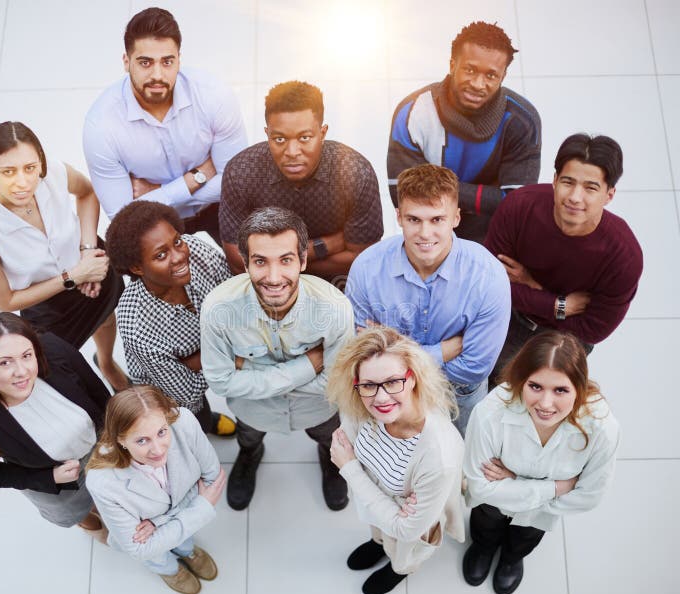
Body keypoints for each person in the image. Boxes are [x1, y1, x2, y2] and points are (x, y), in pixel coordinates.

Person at [200, 207, 354, 511]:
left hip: (318, 410)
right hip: (253, 411)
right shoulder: (218, 310)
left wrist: (251, 370)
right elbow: (218, 381)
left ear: (303, 260)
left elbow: (336, 384)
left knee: (329, 437)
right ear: (245, 263)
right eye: (260, 261)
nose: (273, 277)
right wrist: (309, 365)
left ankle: (330, 460)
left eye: (285, 260)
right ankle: (250, 456)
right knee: (248, 437)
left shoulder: (335, 309)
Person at [346, 164, 510, 436]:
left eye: (436, 220)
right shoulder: (367, 269)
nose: (424, 233)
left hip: (459, 393)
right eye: (414, 219)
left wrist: (391, 352)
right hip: (386, 394)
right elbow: (360, 355)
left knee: (460, 463)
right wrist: (444, 351)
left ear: (456, 218)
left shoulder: (488, 275)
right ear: (398, 217)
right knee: (397, 467)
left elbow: (474, 368)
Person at [0, 121, 129, 392]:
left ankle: (107, 362)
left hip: (89, 261)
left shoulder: (52, 172)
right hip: (47, 303)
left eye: (30, 168)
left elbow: (87, 193)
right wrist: (73, 277)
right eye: (8, 171)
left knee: (106, 316)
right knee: (58, 364)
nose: (23, 182)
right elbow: (5, 300)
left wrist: (87, 250)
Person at [462, 330, 619, 594]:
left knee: (527, 536)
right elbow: (479, 487)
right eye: (535, 386)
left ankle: (512, 558)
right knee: (485, 524)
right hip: (497, 506)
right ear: (520, 381)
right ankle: (483, 547)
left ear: (579, 388)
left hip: (539, 515)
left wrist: (512, 481)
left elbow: (588, 497)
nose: (546, 403)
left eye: (560, 390)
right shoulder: (490, 412)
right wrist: (555, 487)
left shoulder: (602, 428)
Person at [485, 133, 643, 382]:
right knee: (472, 381)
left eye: (590, 188)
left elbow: (593, 329)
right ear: (555, 180)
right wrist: (559, 306)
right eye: (568, 182)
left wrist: (532, 287)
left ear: (609, 194)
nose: (574, 197)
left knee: (532, 400)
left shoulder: (623, 255)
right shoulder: (519, 207)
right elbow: (489, 286)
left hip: (567, 335)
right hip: (506, 312)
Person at [83, 7, 247, 242]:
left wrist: (156, 195)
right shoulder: (100, 126)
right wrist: (198, 176)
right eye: (145, 63)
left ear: (179, 59)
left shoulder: (214, 96)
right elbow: (123, 217)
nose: (157, 74)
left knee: (248, 264)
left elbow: (235, 184)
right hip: (153, 224)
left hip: (218, 207)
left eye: (167, 61)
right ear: (126, 62)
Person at [328, 326, 464, 594]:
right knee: (380, 530)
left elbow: (406, 529)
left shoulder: (438, 455)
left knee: (402, 552)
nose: (380, 398)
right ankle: (377, 543)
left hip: (404, 527)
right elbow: (349, 435)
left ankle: (399, 570)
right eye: (368, 385)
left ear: (412, 378)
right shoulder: (358, 404)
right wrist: (388, 503)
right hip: (379, 503)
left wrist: (350, 468)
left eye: (392, 382)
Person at [0, 312, 111, 543]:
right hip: (59, 481)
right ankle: (92, 526)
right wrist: (50, 477)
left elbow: (99, 394)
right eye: (5, 362)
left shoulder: (53, 349)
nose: (21, 371)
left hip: (102, 448)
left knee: (115, 493)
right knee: (75, 512)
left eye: (26, 356)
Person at [387, 21, 541, 243]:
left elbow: (515, 203)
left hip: (495, 238)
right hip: (428, 236)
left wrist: (436, 187)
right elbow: (402, 193)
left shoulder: (522, 121)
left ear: (503, 77)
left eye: (490, 75)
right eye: (470, 70)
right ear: (452, 65)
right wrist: (486, 195)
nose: (478, 84)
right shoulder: (413, 111)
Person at [219, 80, 383, 286]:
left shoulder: (355, 173)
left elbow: (361, 260)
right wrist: (325, 246)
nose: (292, 152)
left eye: (304, 138)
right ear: (267, 134)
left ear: (322, 133)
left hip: (338, 283)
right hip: (267, 286)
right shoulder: (241, 172)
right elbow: (238, 262)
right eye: (279, 139)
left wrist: (273, 261)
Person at [105, 200, 236, 437]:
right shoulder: (138, 327)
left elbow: (236, 299)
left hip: (194, 362)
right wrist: (229, 347)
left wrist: (192, 361)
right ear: (136, 268)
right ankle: (205, 423)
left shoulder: (196, 251)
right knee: (194, 419)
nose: (179, 256)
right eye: (161, 254)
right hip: (167, 391)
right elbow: (187, 392)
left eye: (176, 241)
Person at [85, 386, 226, 594]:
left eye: (162, 432)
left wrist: (157, 522)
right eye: (142, 440)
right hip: (148, 547)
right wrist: (199, 508)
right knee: (156, 556)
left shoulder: (183, 422)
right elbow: (140, 549)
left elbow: (212, 480)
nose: (159, 450)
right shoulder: (102, 481)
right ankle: (170, 570)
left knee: (182, 537)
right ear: (120, 440)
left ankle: (186, 550)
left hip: (161, 526)